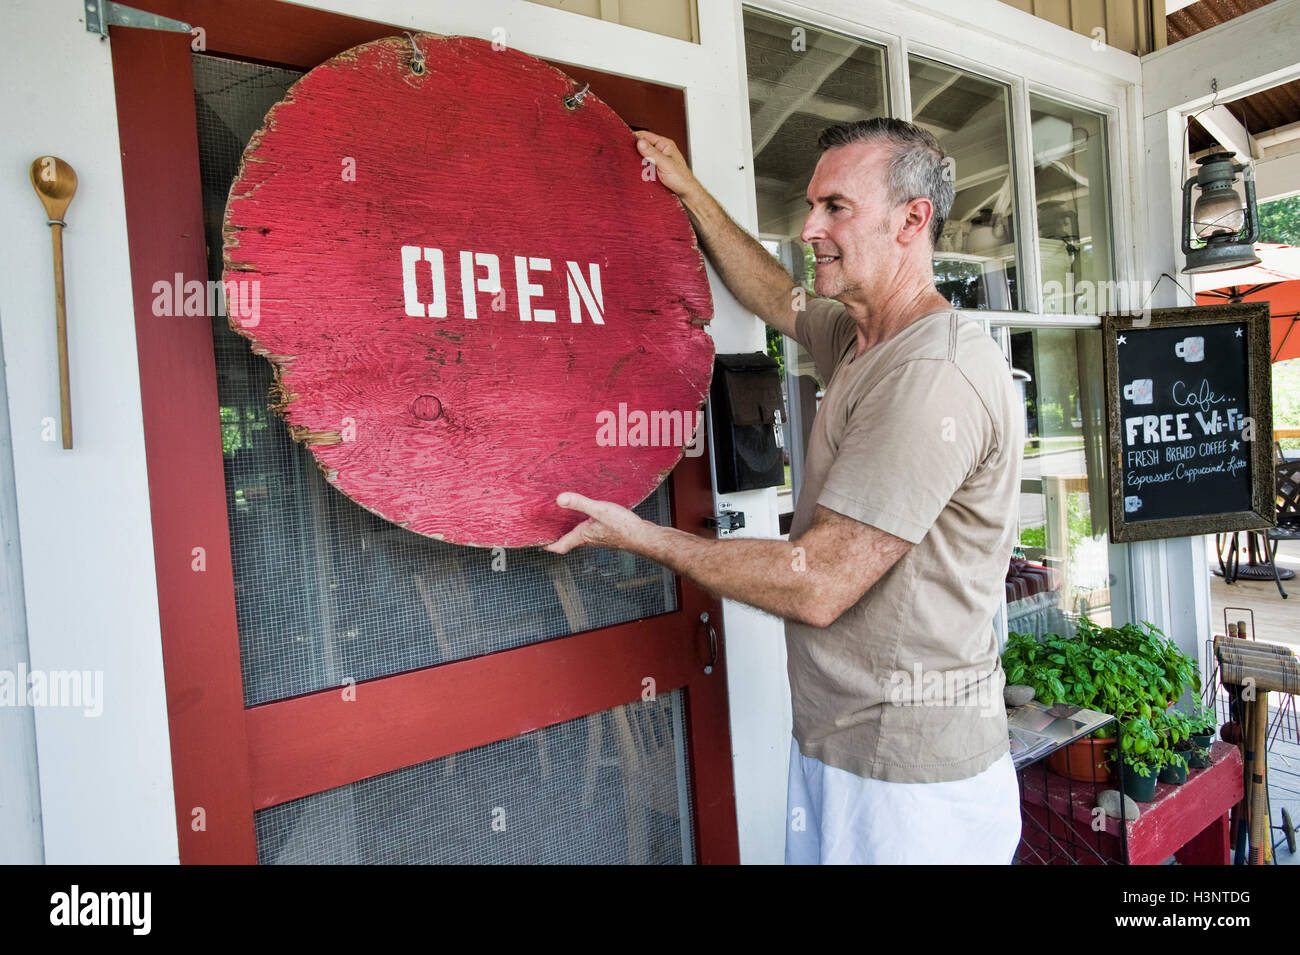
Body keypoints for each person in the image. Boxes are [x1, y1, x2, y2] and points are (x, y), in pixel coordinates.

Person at [544, 118, 1024, 864]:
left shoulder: (932, 375)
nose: (809, 227)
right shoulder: (864, 336)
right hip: (850, 746)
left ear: (912, 220)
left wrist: (640, 534)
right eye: (811, 206)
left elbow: (820, 581)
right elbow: (778, 294)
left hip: (910, 784)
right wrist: (690, 191)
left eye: (836, 207)